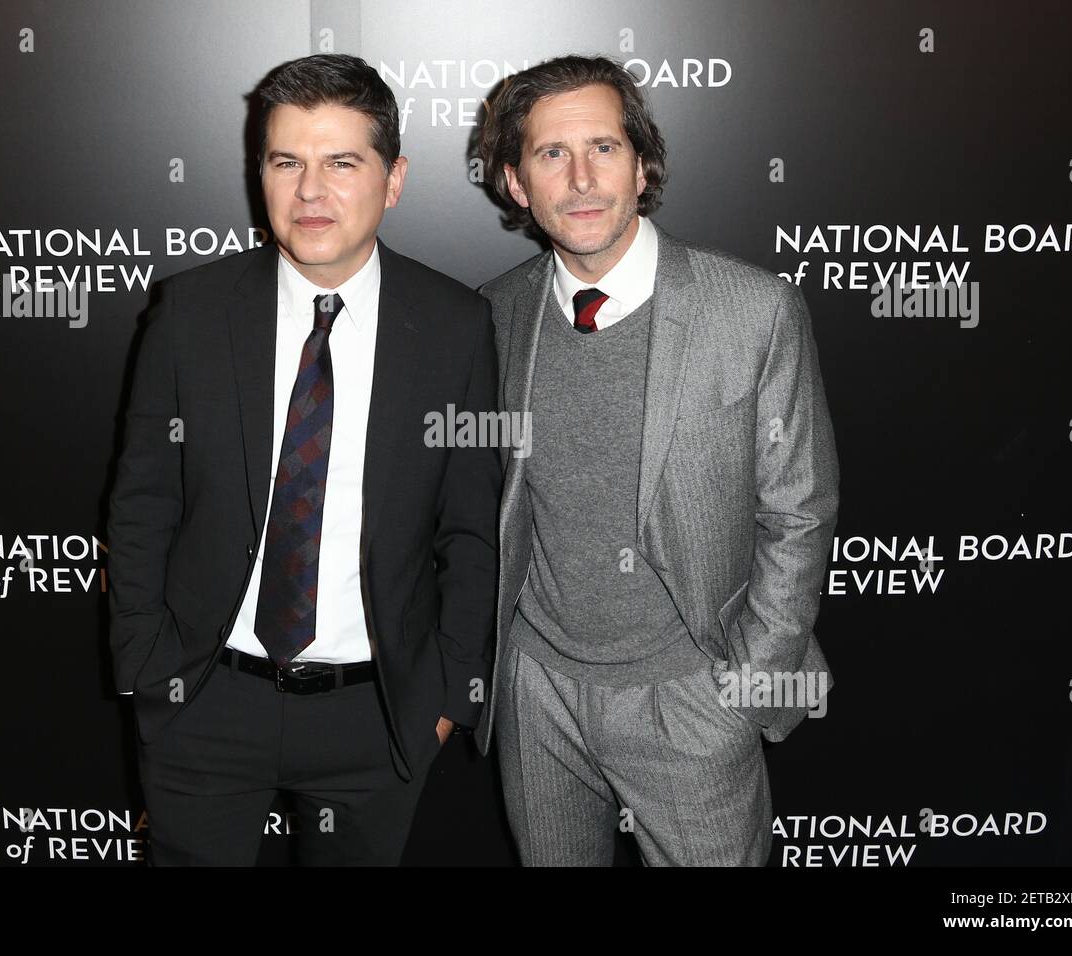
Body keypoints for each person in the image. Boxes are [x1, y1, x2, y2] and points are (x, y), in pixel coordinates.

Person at [107, 53, 500, 866]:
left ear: (393, 179)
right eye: (287, 162)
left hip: (379, 713)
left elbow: (471, 528)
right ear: (261, 174)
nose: (310, 191)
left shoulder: (455, 325)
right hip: (204, 699)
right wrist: (147, 668)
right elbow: (144, 501)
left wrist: (446, 699)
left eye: (341, 163)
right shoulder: (191, 312)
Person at [474, 54, 840, 865]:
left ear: (643, 166)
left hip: (693, 694)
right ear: (513, 182)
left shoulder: (751, 310)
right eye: (549, 155)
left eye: (604, 148)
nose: (580, 179)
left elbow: (799, 511)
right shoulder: (495, 314)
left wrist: (740, 693)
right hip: (537, 692)